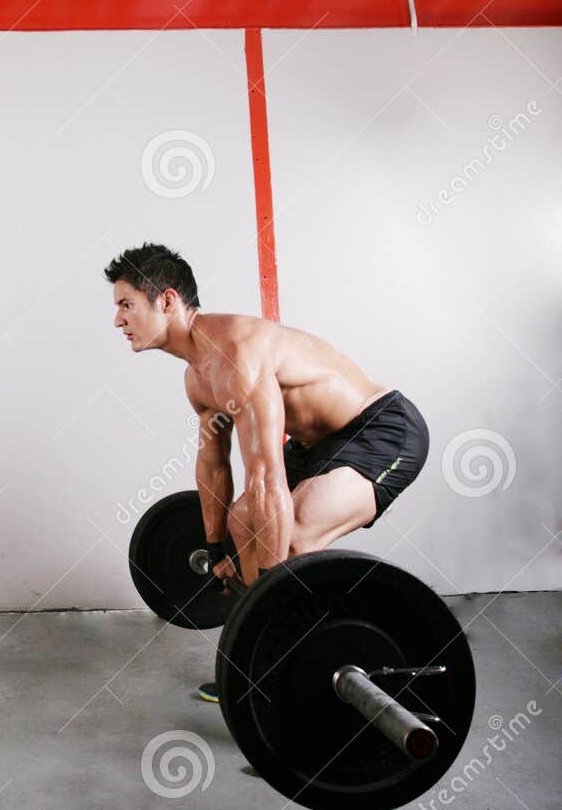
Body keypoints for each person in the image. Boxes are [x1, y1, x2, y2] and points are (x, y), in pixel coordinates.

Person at [105, 242, 429, 702]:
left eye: (126, 305)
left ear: (168, 301)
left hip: (382, 430)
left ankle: (284, 665)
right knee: (243, 524)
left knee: (291, 536)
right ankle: (262, 660)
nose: (118, 320)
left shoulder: (236, 353)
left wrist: (269, 599)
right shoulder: (197, 377)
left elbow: (264, 476)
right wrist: (216, 546)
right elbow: (213, 465)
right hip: (318, 445)